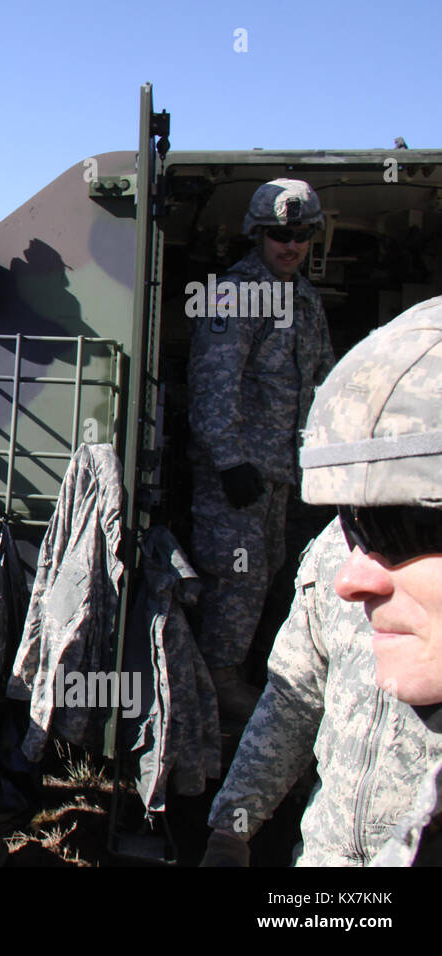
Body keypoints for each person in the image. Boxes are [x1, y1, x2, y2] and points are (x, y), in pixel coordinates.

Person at [203, 295, 442, 866]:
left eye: (405, 525)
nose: (351, 579)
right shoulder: (336, 553)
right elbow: (293, 699)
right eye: (357, 521)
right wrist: (233, 825)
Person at [187, 178, 336, 720]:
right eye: (279, 235)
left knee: (276, 574)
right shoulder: (234, 294)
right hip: (239, 477)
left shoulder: (308, 303)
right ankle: (217, 686)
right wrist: (229, 460)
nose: (289, 245)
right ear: (257, 235)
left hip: (286, 476)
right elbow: (213, 383)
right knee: (238, 577)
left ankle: (256, 684)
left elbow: (321, 383)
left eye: (299, 235)